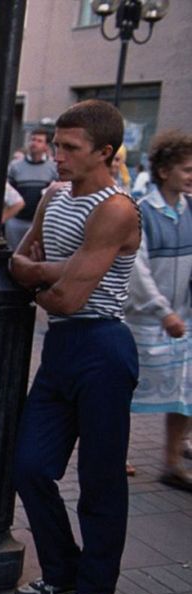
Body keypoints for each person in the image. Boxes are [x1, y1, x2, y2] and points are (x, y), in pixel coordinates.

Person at [9, 100, 141, 594]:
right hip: (62, 348)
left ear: (104, 153)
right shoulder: (54, 196)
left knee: (100, 478)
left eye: (70, 148)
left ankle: (95, 588)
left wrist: (40, 275)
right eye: (56, 145)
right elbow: (22, 262)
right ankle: (61, 571)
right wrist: (50, 273)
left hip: (103, 347)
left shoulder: (116, 209)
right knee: (30, 465)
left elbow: (65, 297)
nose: (56, 156)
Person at [125, 130, 192, 492]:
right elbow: (139, 269)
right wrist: (162, 311)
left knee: (186, 391)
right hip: (146, 321)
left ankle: (171, 462)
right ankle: (115, 452)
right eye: (186, 169)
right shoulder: (142, 212)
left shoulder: (191, 209)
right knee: (127, 389)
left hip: (184, 317)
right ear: (164, 171)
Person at [6, 126, 59, 252]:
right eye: (32, 139)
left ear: (46, 146)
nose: (34, 143)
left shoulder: (54, 167)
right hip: (17, 220)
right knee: (14, 253)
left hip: (41, 222)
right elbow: (7, 192)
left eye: (39, 141)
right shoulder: (15, 166)